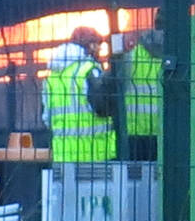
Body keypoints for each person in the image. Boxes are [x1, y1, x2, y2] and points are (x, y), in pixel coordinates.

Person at [42, 26, 115, 162]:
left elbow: (47, 118)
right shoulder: (88, 70)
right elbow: (102, 107)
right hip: (94, 153)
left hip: (63, 155)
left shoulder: (52, 76)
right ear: (90, 46)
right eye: (98, 45)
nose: (99, 50)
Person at [123, 11, 165, 162]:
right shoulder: (187, 52)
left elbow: (114, 89)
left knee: (134, 183)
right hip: (169, 133)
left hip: (133, 135)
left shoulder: (131, 54)